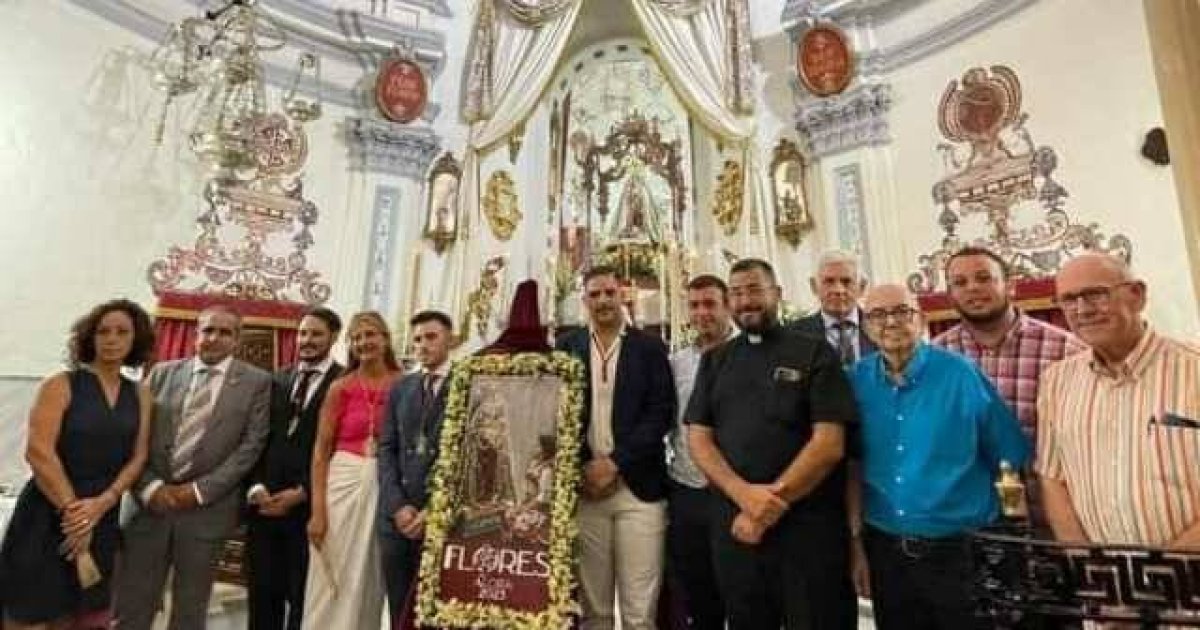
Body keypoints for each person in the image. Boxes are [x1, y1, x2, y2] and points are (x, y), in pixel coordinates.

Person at [686, 258, 857, 630]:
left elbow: (829, 443)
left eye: (754, 290)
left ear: (776, 294)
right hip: (737, 528)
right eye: (737, 293)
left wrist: (768, 504)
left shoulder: (814, 352)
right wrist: (744, 496)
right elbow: (698, 438)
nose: (746, 301)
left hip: (808, 528)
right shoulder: (716, 360)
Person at [849, 283, 1029, 630]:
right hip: (887, 552)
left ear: (922, 319)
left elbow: (1007, 458)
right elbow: (851, 465)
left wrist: (1013, 542)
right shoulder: (855, 381)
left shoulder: (961, 375)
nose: (890, 322)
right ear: (866, 327)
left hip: (959, 550)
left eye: (902, 311)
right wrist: (856, 543)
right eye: (877, 315)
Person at [114, 304, 272, 630]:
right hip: (149, 507)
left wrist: (199, 491)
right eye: (207, 330)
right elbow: (134, 437)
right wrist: (151, 487)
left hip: (206, 512)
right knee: (131, 604)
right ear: (195, 334)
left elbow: (251, 447)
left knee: (190, 609)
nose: (213, 338)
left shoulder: (257, 382)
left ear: (237, 339)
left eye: (224, 332)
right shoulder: (161, 373)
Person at [0, 300, 154, 630]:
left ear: (135, 340)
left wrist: (103, 503)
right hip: (46, 512)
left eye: (122, 332)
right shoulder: (60, 384)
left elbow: (139, 456)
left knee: (79, 616)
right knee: (28, 614)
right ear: (89, 337)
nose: (111, 339)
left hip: (101, 515)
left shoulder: (141, 394)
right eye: (103, 331)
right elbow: (38, 452)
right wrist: (73, 512)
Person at [1039, 254, 1200, 550]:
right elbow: (1053, 478)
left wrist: (1166, 567)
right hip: (1108, 583)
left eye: (1095, 294)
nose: (1082, 310)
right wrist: (1088, 563)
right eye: (1069, 299)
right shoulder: (1056, 382)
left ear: (1137, 295)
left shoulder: (1194, 370)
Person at [932, 246, 1084, 531]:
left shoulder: (1067, 351)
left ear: (1010, 285)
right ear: (950, 295)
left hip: (1054, 518)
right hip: (971, 520)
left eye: (983, 278)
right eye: (960, 283)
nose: (973, 288)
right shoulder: (935, 358)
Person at [557, 266, 675, 630]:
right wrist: (584, 466)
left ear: (623, 295)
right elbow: (556, 413)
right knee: (594, 610)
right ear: (585, 300)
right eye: (595, 295)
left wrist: (615, 463)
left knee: (640, 609)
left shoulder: (650, 348)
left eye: (610, 293)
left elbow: (661, 413)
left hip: (639, 489)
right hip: (586, 488)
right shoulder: (566, 348)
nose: (604, 301)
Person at [245, 307, 344, 630]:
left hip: (308, 510)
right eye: (302, 333)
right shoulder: (276, 379)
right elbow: (256, 438)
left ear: (333, 337)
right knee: (262, 597)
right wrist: (257, 488)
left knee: (302, 598)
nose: (307, 340)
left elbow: (338, 451)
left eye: (316, 334)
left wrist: (302, 493)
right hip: (264, 506)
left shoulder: (343, 382)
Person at [303, 311, 400, 629]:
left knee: (369, 573)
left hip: (383, 484)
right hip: (341, 483)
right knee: (331, 571)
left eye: (370, 334)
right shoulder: (339, 387)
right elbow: (320, 452)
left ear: (385, 338)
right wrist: (317, 512)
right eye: (356, 337)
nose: (363, 342)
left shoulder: (405, 384)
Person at [666, 274, 736, 630]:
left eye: (710, 304)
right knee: (698, 592)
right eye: (694, 305)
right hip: (688, 492)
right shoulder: (676, 364)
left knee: (744, 592)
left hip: (738, 494)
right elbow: (665, 425)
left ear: (728, 306)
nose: (702, 312)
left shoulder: (750, 355)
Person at [377, 310, 453, 622]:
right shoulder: (401, 387)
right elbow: (387, 448)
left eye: (431, 337)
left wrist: (434, 508)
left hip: (440, 517)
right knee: (399, 608)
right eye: (418, 339)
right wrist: (397, 506)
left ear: (451, 339)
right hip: (397, 517)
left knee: (436, 609)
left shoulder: (469, 383)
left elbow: (468, 455)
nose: (422, 344)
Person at [793, 249, 876, 367]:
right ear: (814, 286)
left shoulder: (881, 327)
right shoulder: (795, 335)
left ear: (862, 287)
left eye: (846, 281)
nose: (838, 290)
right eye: (829, 281)